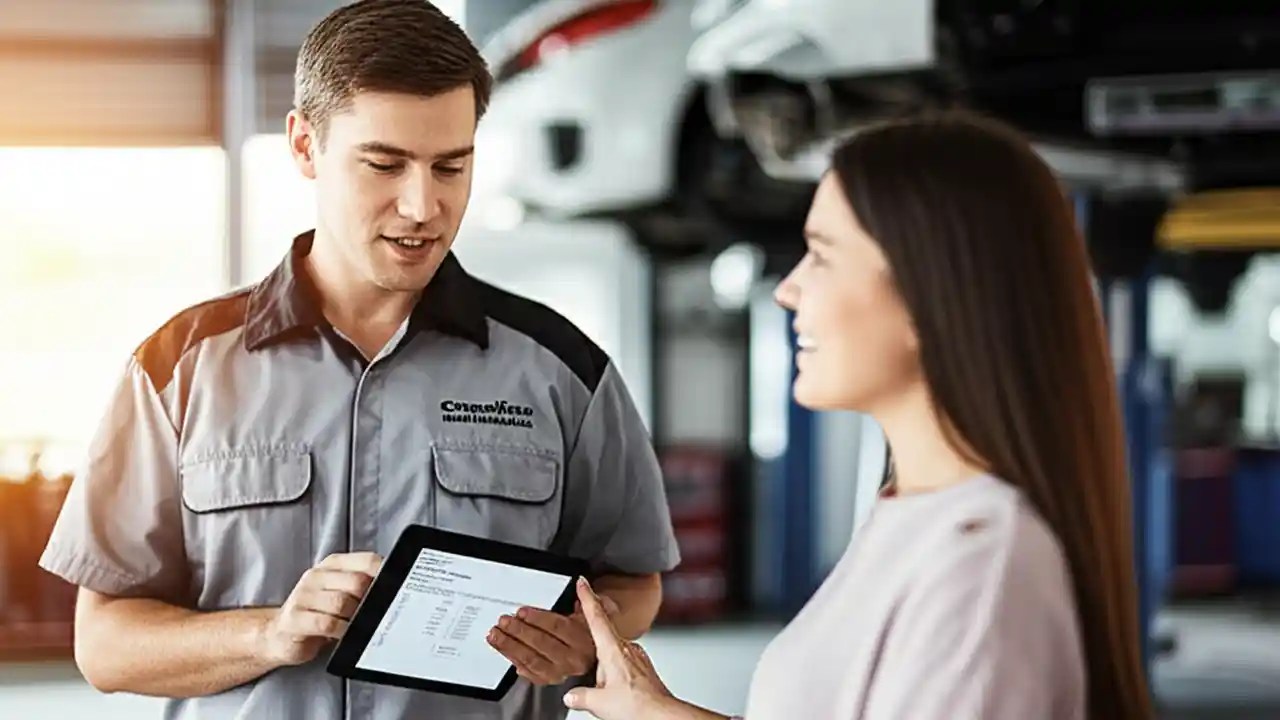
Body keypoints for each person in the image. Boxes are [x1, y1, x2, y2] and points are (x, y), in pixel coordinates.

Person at [38, 2, 679, 718]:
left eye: (450, 166)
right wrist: (270, 633)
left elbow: (633, 582)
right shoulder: (179, 370)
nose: (422, 206)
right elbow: (104, 645)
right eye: (384, 164)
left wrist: (583, 640)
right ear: (305, 147)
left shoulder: (563, 372)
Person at [562, 111, 1155, 720]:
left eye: (820, 256)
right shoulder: (914, 515)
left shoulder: (981, 570)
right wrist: (655, 712)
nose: (788, 290)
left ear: (928, 296)